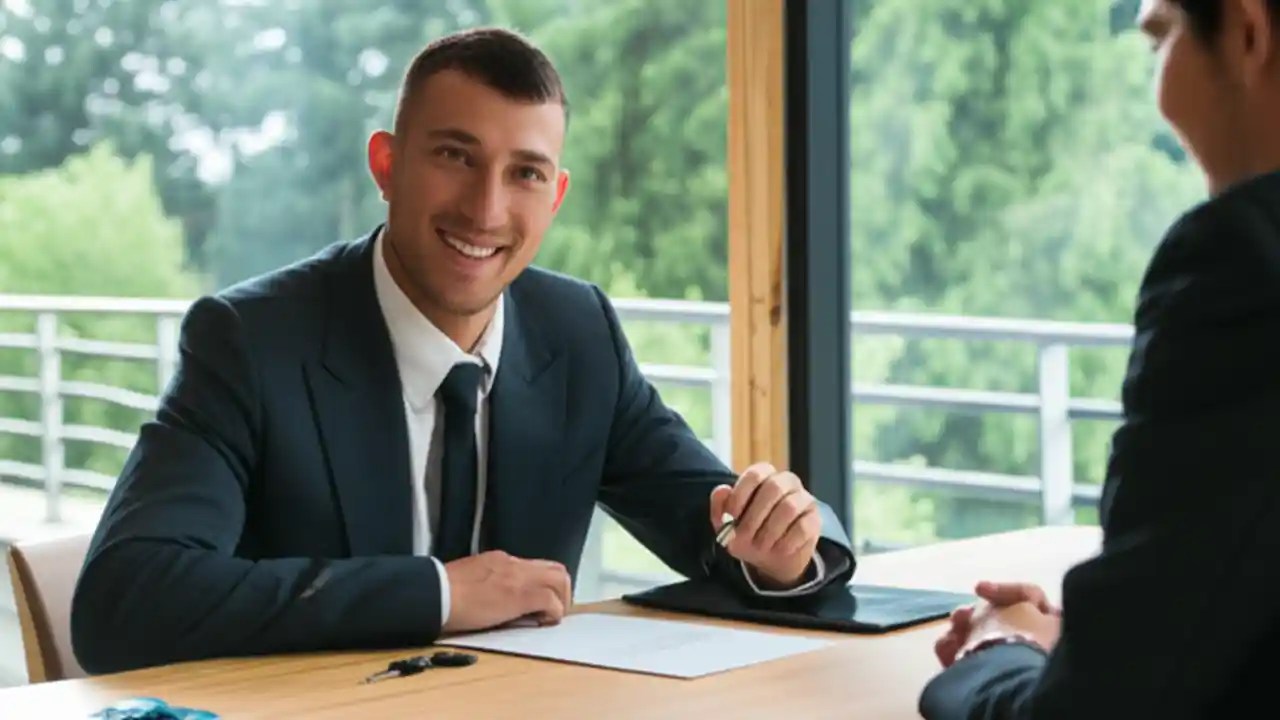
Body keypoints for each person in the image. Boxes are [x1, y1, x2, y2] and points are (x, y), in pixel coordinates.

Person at [69, 27, 855, 675]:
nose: (485, 210)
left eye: (525, 173)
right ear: (387, 165)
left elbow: (714, 519)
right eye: (455, 156)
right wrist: (437, 593)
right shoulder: (251, 341)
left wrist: (778, 551)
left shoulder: (577, 332)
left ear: (555, 196)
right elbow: (126, 601)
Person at [919, 0, 1280, 717]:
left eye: (1162, 39)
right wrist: (1099, 638)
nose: (1161, 93)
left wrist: (997, 655)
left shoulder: (1246, 268)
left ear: (1246, 33)